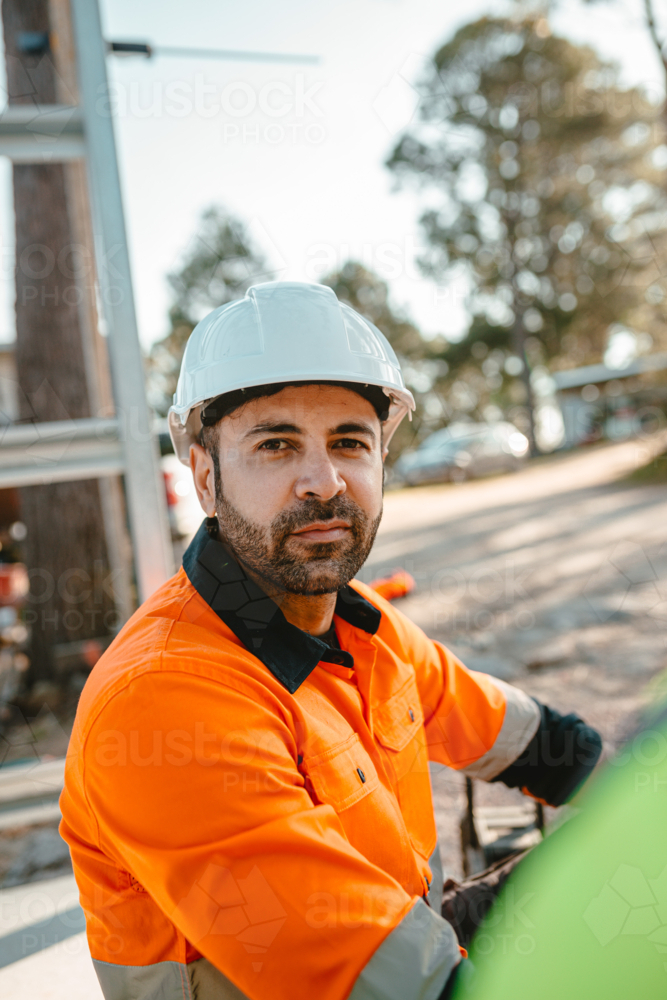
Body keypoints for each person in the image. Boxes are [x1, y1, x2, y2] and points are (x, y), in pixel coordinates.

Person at [60, 282, 601, 1000]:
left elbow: (531, 739)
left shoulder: (356, 622)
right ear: (204, 476)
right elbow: (414, 988)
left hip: (413, 943)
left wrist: (628, 797)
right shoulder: (162, 698)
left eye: (349, 442)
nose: (323, 482)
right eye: (276, 445)